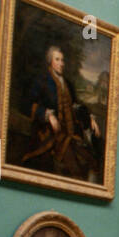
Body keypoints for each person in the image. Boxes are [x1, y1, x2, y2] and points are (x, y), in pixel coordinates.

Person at [24, 45, 101, 181]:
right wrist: (48, 116)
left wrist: (90, 118)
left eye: (62, 60)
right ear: (50, 61)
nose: (61, 63)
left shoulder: (67, 84)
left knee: (94, 163)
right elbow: (28, 103)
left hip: (70, 134)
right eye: (57, 59)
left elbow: (74, 106)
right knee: (75, 171)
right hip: (50, 134)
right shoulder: (42, 81)